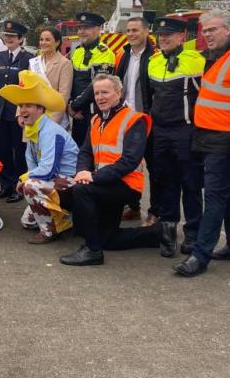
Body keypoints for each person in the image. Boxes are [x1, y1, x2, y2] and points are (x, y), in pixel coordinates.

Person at [59, 74, 173, 266]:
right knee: (107, 239)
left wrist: (93, 177)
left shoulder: (134, 120)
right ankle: (159, 232)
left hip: (125, 186)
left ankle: (92, 251)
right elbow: (85, 152)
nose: (100, 97)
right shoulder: (96, 120)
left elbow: (129, 161)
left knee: (81, 190)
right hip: (104, 184)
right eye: (97, 93)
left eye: (105, 92)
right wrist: (82, 173)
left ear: (119, 93)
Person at [173, 9, 230, 277]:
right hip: (206, 134)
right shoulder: (215, 57)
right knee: (225, 191)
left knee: (215, 196)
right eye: (204, 30)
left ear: (228, 29)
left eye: (212, 29)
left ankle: (200, 255)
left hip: (225, 137)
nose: (207, 34)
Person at [0, 70, 78, 245]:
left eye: (28, 105)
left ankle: (50, 231)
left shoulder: (50, 131)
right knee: (27, 222)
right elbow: (33, 166)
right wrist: (27, 178)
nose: (22, 110)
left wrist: (24, 179)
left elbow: (48, 170)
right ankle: (66, 218)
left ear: (40, 109)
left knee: (31, 185)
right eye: (21, 106)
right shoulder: (33, 130)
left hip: (70, 183)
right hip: (54, 180)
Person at [147, 17, 205, 257]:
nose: (164, 39)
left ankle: (193, 234)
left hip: (185, 130)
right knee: (165, 182)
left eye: (168, 34)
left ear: (182, 36)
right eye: (161, 35)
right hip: (160, 131)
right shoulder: (153, 62)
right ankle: (168, 232)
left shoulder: (196, 61)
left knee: (191, 184)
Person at [0, 20, 34, 202]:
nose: (8, 39)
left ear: (21, 39)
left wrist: (26, 113)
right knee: (3, 150)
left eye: (12, 36)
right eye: (6, 36)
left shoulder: (28, 59)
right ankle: (6, 183)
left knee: (19, 151)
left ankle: (19, 186)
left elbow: (28, 88)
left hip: (17, 113)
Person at [114, 16, 155, 223]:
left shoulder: (155, 56)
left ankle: (155, 212)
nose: (130, 34)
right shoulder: (123, 55)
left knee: (154, 168)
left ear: (146, 31)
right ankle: (133, 207)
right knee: (127, 166)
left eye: (135, 30)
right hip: (125, 119)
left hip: (146, 119)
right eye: (128, 31)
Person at [68, 11, 116, 148]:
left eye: (86, 28)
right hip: (77, 114)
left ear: (98, 29)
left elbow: (95, 86)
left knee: (93, 152)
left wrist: (74, 106)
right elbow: (71, 81)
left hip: (94, 113)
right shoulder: (78, 51)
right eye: (80, 28)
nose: (81, 32)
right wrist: (69, 104)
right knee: (78, 151)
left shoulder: (105, 53)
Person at [31, 27, 73, 127]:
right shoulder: (34, 62)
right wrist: (21, 114)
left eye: (47, 40)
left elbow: (63, 96)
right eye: (41, 39)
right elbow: (27, 89)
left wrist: (52, 123)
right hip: (34, 115)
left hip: (54, 116)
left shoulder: (65, 63)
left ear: (57, 42)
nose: (43, 43)